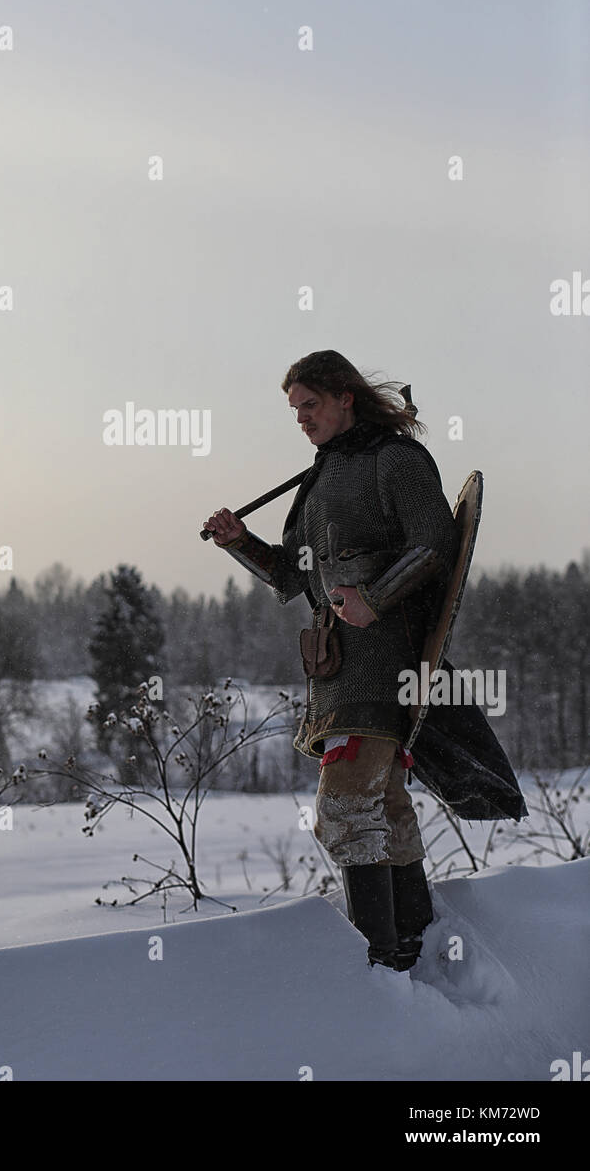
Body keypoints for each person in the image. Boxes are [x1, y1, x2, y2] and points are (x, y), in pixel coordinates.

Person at [202, 350, 459, 972]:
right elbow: (295, 577)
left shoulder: (396, 460)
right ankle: (414, 951)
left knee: (344, 808)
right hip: (337, 667)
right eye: (294, 410)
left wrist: (374, 599)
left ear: (346, 395)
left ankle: (379, 964)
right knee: (383, 805)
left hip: (387, 657)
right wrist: (242, 544)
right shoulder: (320, 479)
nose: (301, 418)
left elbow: (435, 543)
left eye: (309, 404)